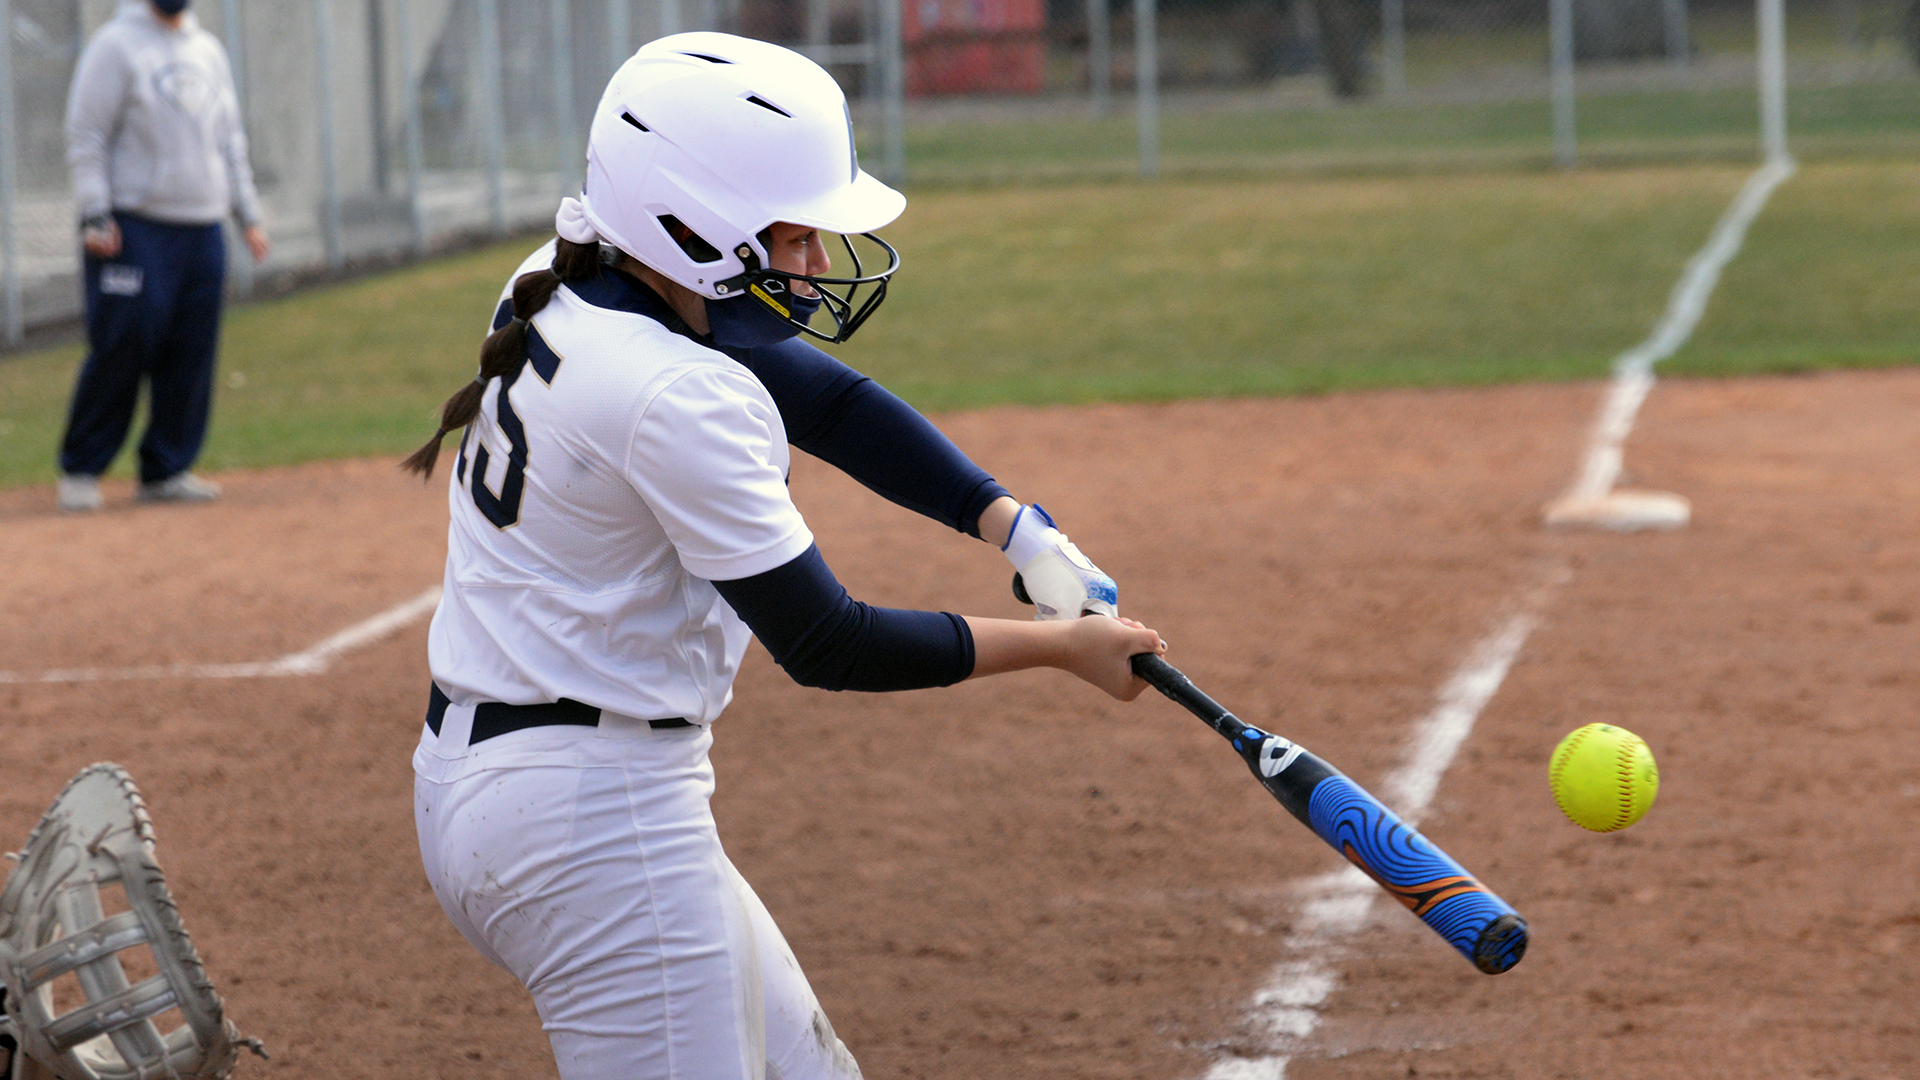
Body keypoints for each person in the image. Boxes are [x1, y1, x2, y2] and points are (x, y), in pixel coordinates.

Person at [403, 32, 1164, 1080]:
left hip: (524, 786)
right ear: (693, 226)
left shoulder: (570, 278)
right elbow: (826, 639)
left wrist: (1013, 525)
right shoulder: (677, 395)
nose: (816, 262)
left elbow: (828, 399)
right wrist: (1062, 651)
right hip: (589, 827)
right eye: (794, 234)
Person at [57, 0, 270, 513]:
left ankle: (167, 467)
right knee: (122, 345)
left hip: (202, 227)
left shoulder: (208, 50)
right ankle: (82, 468)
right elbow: (86, 134)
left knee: (191, 353)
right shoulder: (115, 45)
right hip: (133, 226)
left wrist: (248, 214)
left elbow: (230, 141)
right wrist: (94, 211)